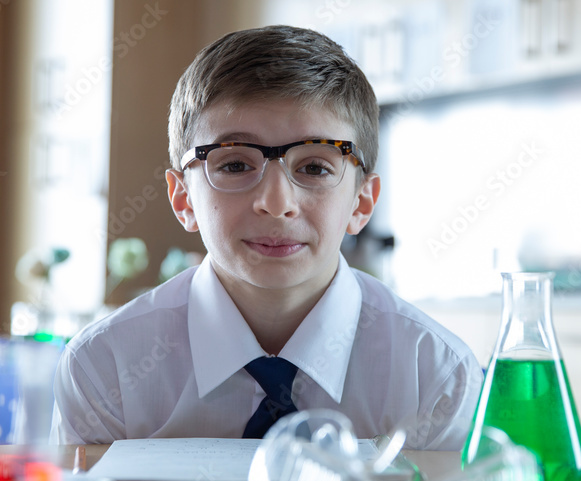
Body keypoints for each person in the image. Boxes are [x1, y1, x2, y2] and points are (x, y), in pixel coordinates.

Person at [50, 25, 482, 450]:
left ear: (361, 203)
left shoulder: (436, 377)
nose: (276, 203)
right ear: (182, 198)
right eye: (235, 164)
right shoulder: (104, 369)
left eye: (314, 167)